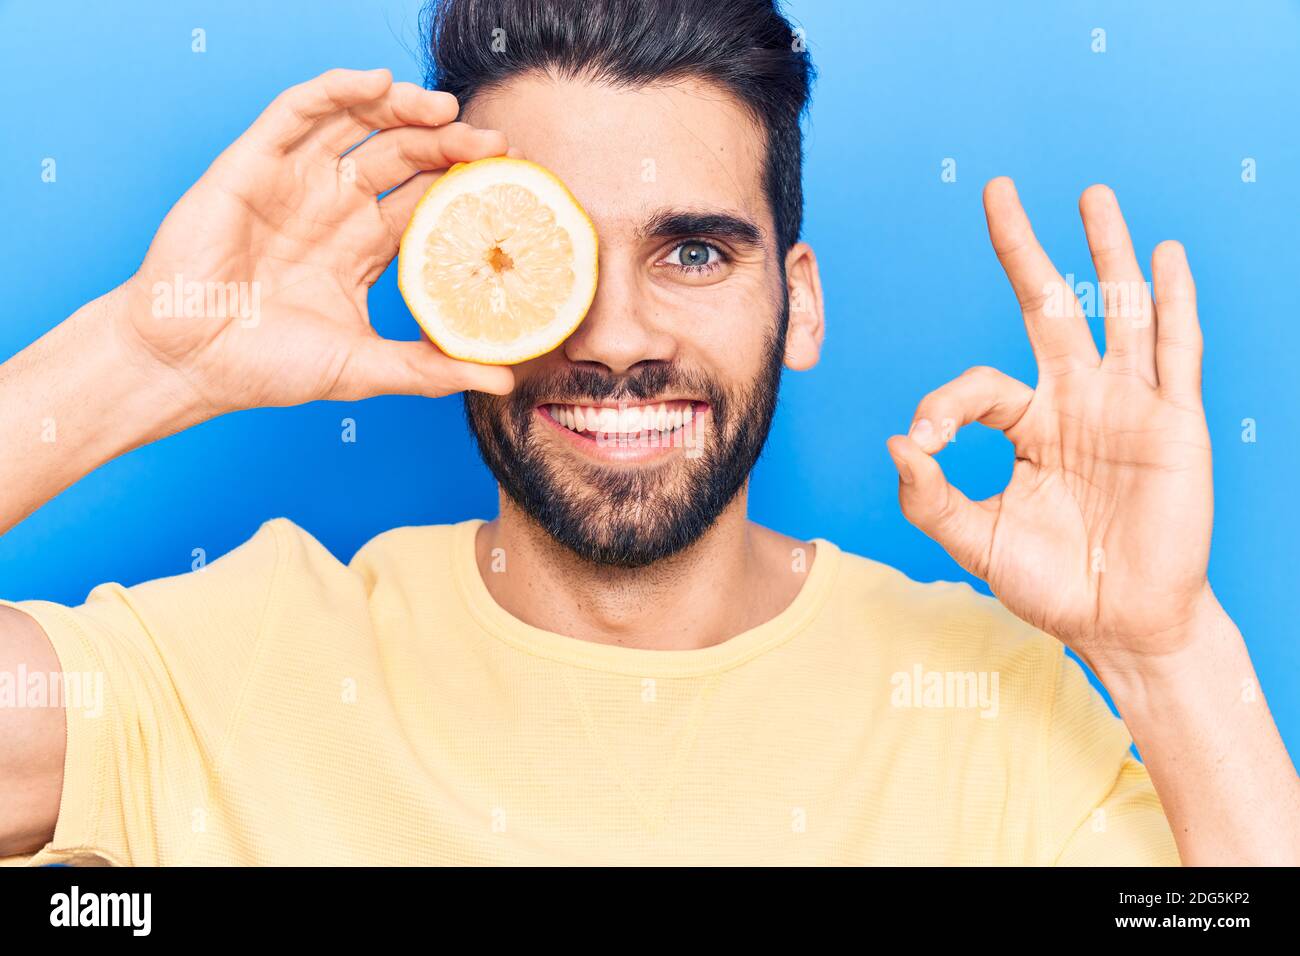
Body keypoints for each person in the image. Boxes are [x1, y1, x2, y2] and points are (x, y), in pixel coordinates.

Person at [1, 0, 1295, 866]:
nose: (615, 335)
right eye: (540, 248)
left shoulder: (980, 703)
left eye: (691, 250)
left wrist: (1169, 651)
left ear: (798, 304)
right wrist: (147, 358)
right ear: (448, 271)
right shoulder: (240, 661)